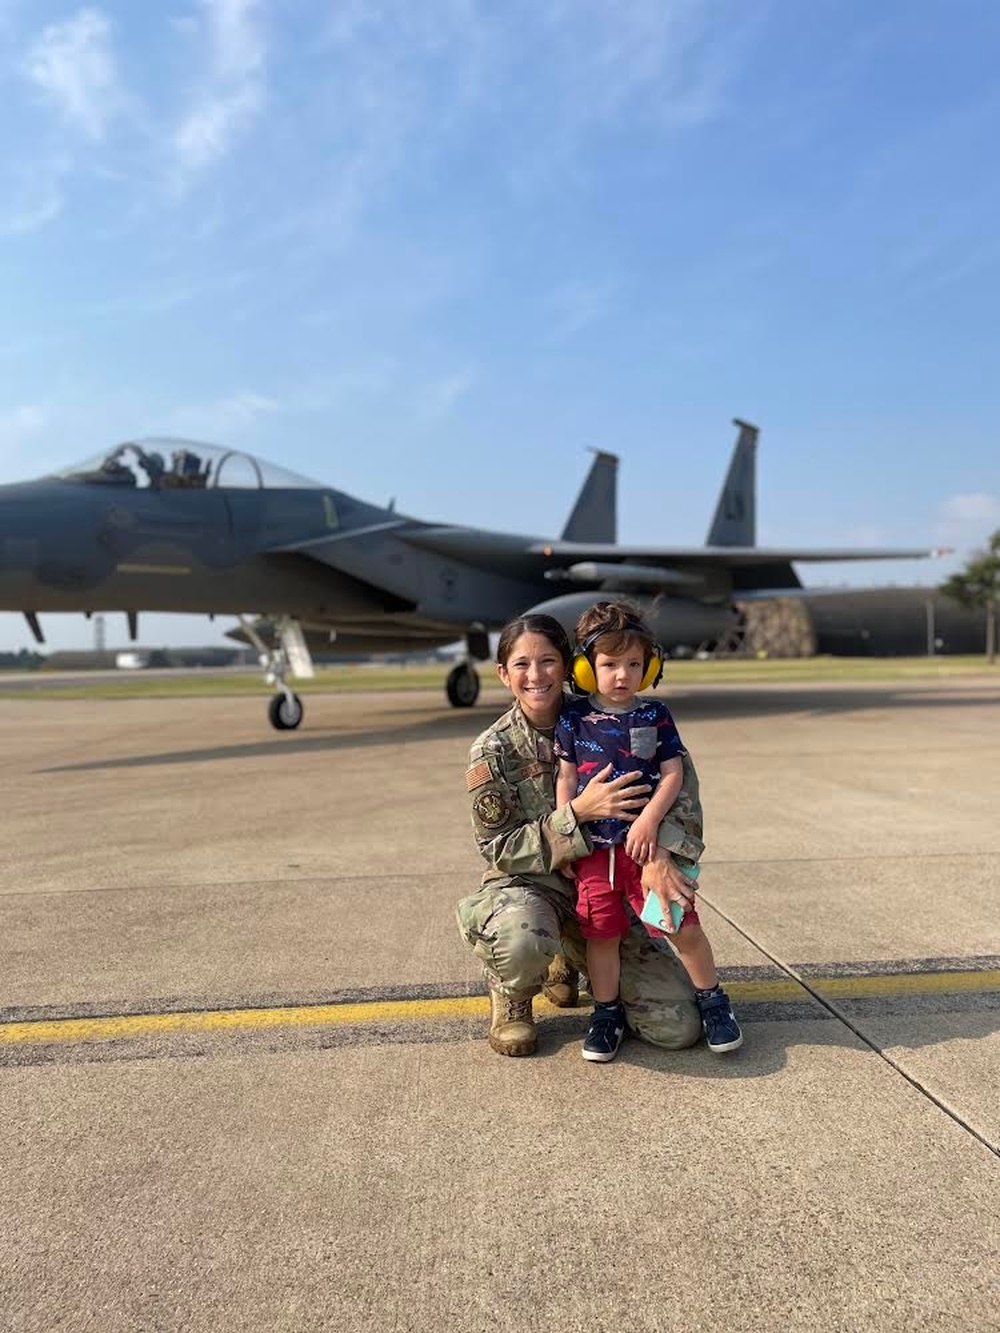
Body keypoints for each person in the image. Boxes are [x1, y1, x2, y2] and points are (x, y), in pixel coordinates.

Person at [455, 612, 705, 1058]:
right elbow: (497, 847)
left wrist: (661, 855)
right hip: (536, 887)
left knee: (677, 1027)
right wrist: (575, 815)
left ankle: (575, 959)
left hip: (613, 881)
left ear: (570, 666)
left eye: (548, 661)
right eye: (521, 665)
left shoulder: (614, 715)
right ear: (502, 674)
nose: (536, 676)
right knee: (522, 938)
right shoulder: (493, 750)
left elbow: (681, 789)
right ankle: (514, 990)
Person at [554, 600, 742, 1062]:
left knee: (679, 923)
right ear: (586, 667)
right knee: (602, 933)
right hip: (596, 853)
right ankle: (606, 1012)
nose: (623, 675)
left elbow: (673, 774)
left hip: (646, 849)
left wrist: (649, 820)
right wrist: (570, 837)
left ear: (649, 666)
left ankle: (714, 1001)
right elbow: (565, 778)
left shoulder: (654, 714)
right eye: (610, 664)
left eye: (634, 664)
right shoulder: (572, 719)